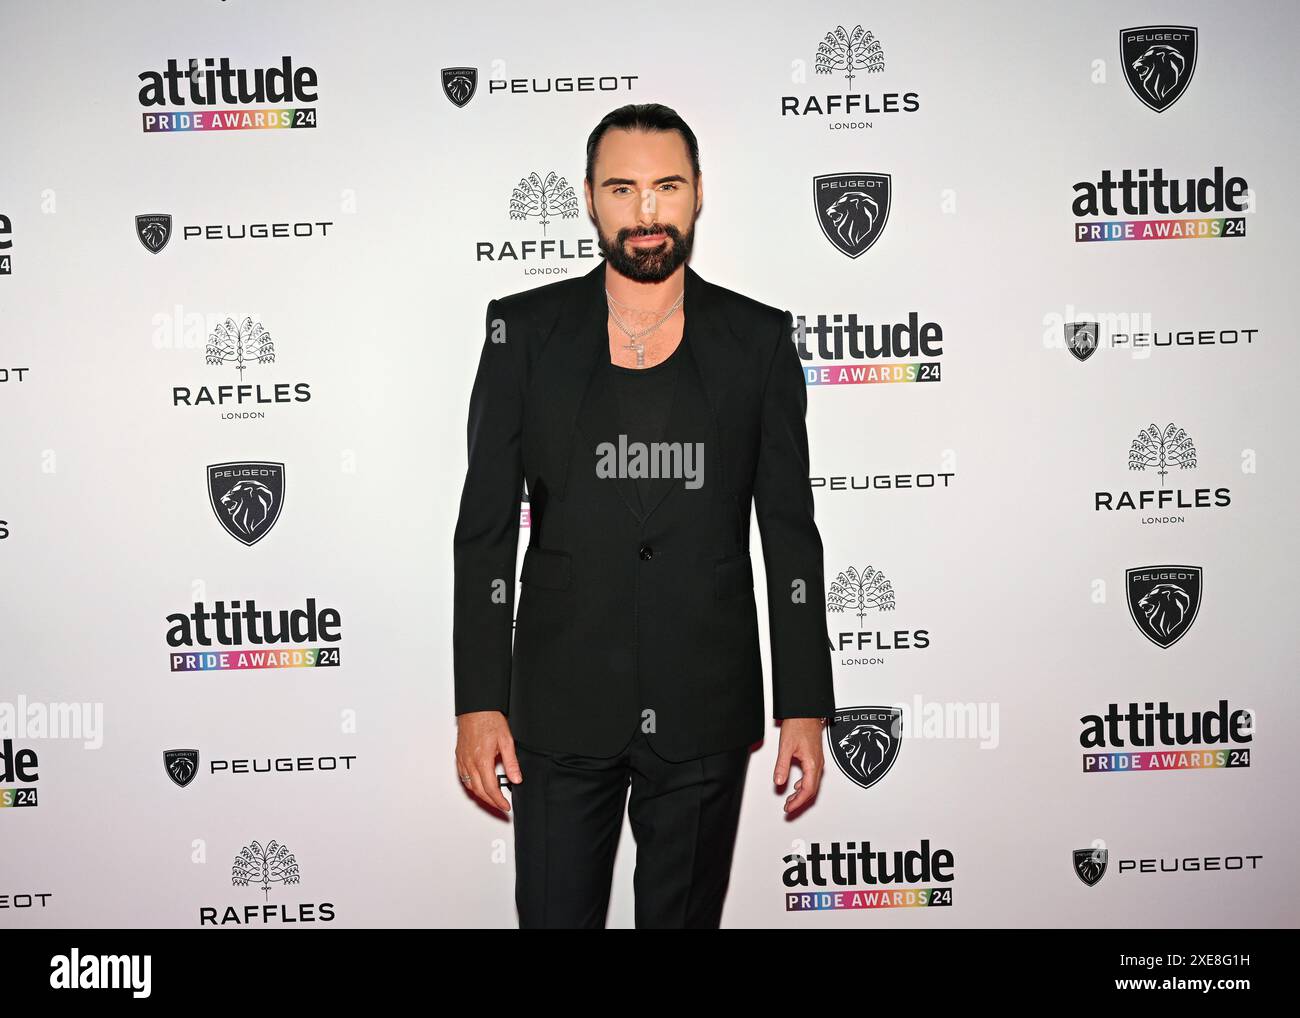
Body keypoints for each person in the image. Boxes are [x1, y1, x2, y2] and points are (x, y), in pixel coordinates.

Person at [452, 103, 834, 928]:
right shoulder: (522, 333)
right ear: (589, 199)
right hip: (557, 709)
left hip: (706, 703)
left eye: (666, 186)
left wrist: (804, 701)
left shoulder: (758, 341)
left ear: (699, 194)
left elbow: (792, 533)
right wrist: (479, 702)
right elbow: (484, 533)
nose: (647, 211)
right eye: (623, 189)